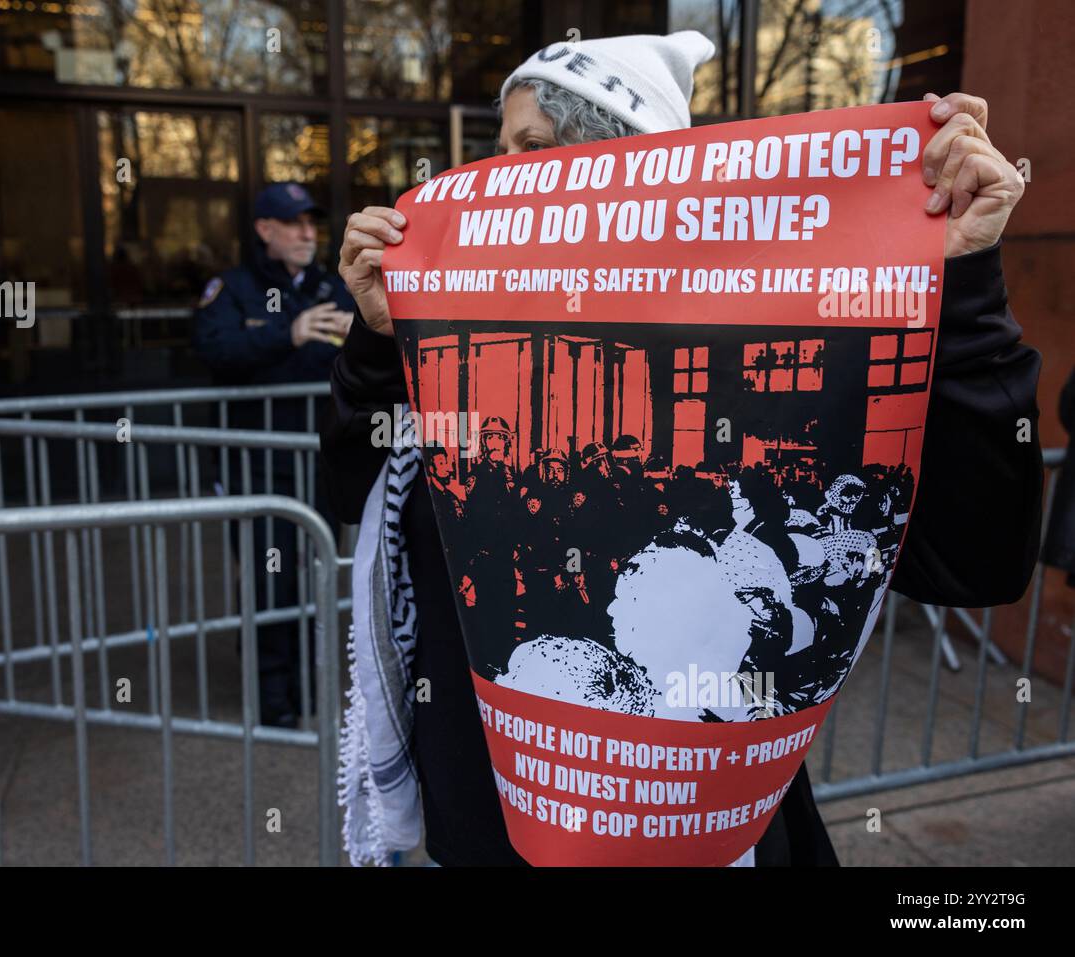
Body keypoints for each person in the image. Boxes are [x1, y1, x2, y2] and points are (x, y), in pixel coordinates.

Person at [321, 32, 1043, 866]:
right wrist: (377, 345)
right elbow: (348, 493)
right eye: (497, 150)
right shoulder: (451, 334)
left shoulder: (756, 361)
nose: (491, 177)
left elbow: (978, 565)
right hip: (487, 823)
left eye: (533, 150)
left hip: (693, 830)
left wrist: (964, 296)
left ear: (619, 175)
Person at [193, 182, 356, 728]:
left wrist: (361, 335)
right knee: (269, 580)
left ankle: (309, 690)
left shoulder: (334, 287)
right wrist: (287, 334)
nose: (308, 233)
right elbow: (215, 351)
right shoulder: (233, 288)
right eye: (294, 223)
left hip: (318, 462)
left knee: (314, 576)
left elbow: (367, 360)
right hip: (257, 467)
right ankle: (272, 701)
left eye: (312, 222)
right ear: (265, 230)